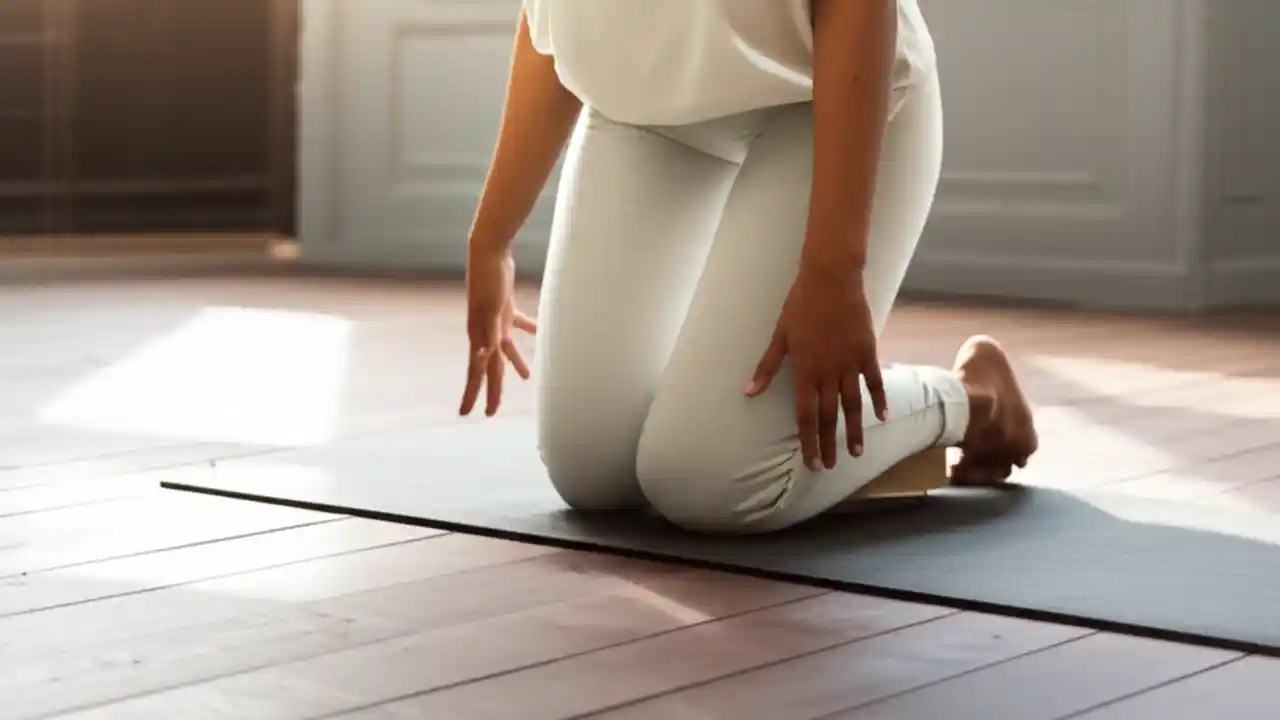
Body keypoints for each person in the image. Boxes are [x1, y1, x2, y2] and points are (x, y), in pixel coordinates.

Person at [457, 0, 1038, 534]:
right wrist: (491, 240)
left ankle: (973, 399)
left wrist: (835, 270)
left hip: (826, 92)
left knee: (709, 482)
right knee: (590, 471)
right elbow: (552, 23)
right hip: (647, 114)